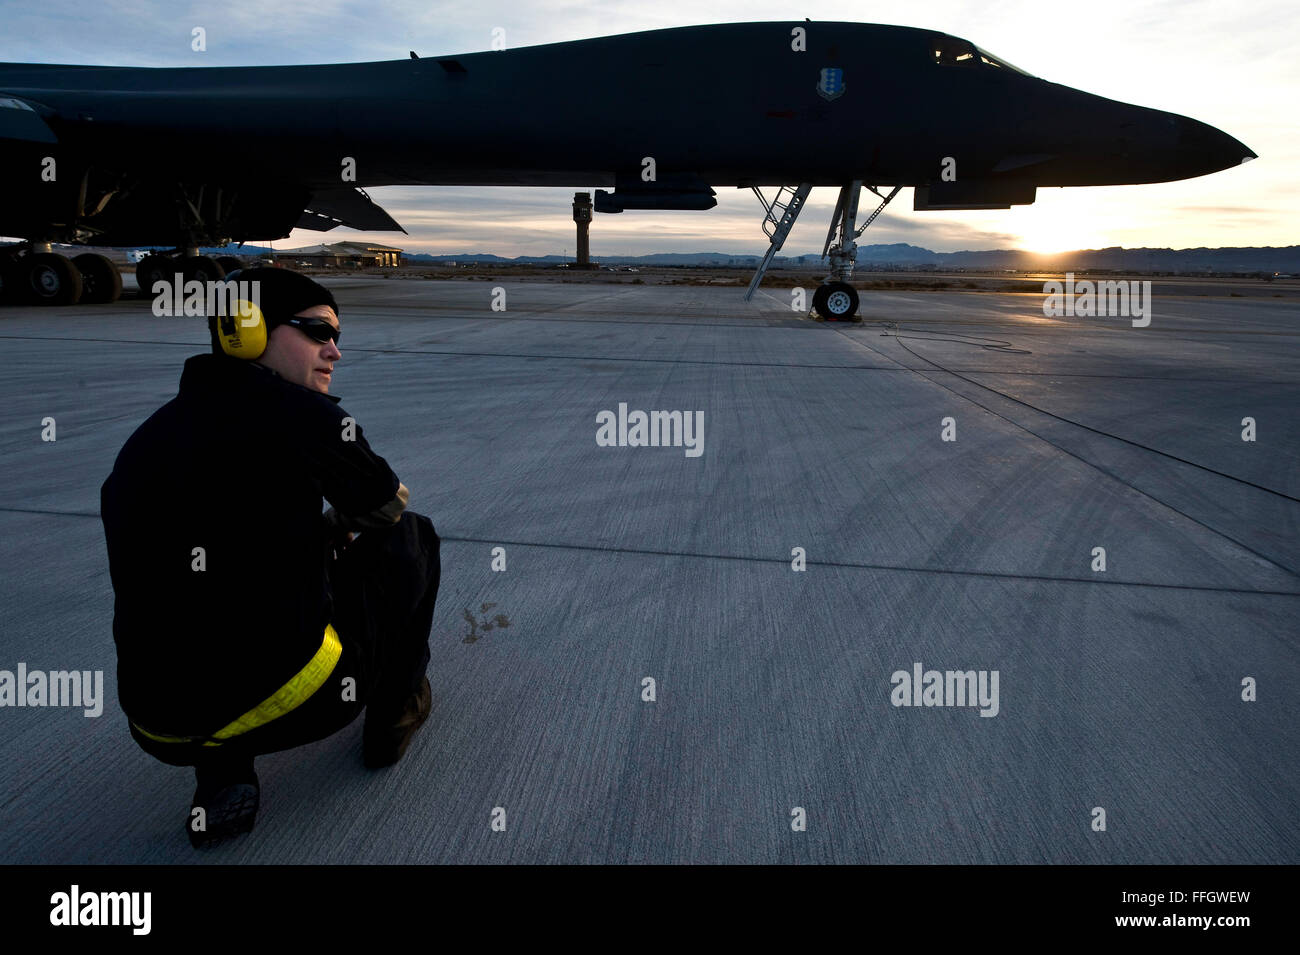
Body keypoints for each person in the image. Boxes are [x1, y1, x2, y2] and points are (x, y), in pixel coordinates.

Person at [100, 268, 440, 848]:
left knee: (205, 609)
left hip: (155, 723)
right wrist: (336, 523)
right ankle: (393, 713)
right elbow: (385, 503)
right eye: (316, 331)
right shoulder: (307, 416)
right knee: (410, 538)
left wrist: (309, 533)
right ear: (246, 330)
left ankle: (222, 778)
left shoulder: (149, 436)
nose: (334, 350)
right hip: (303, 702)